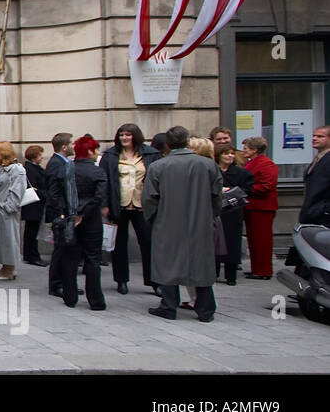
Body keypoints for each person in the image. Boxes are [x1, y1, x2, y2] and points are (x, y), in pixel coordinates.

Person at [144, 126, 224, 322]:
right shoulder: (208, 165)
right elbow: (217, 195)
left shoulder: (158, 166)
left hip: (167, 221)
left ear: (168, 144)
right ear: (188, 141)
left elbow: (149, 199)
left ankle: (169, 306)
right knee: (201, 263)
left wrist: (153, 219)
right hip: (200, 220)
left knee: (167, 262)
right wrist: (211, 215)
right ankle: (205, 309)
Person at [99, 123, 160, 295]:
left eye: (128, 135)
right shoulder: (111, 155)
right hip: (119, 204)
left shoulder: (151, 154)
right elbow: (103, 180)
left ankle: (154, 281)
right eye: (121, 135)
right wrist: (104, 204)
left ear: (135, 136)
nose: (124, 138)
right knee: (119, 243)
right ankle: (121, 280)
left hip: (142, 204)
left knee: (148, 241)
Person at [53, 135, 108, 310]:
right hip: (91, 220)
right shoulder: (97, 171)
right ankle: (95, 299)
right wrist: (83, 214)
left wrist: (65, 213)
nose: (97, 153)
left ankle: (70, 297)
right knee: (93, 259)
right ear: (90, 151)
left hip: (69, 219)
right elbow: (99, 197)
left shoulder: (65, 169)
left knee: (70, 258)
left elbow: (55, 195)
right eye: (96, 150)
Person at [240, 136, 279, 280]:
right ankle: (256, 268)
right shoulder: (252, 162)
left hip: (262, 207)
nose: (243, 151)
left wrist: (246, 189)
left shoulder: (266, 164)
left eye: (246, 148)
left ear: (254, 150)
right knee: (253, 239)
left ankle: (264, 270)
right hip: (253, 206)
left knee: (262, 240)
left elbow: (267, 186)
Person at [214, 144, 253, 286]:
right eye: (226, 153)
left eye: (231, 153)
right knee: (216, 241)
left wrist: (233, 191)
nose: (230, 156)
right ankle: (214, 272)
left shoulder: (241, 173)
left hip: (233, 211)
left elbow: (248, 189)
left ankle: (231, 276)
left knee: (232, 242)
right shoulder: (213, 170)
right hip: (217, 211)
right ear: (219, 155)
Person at [45, 133, 75, 296]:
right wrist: (60, 213)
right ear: (64, 147)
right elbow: (54, 192)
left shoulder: (62, 162)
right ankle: (56, 284)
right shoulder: (57, 164)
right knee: (60, 250)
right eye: (72, 143)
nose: (73, 146)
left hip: (62, 211)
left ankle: (64, 282)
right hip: (60, 214)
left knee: (64, 249)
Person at [0, 142, 25, 281]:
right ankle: (5, 266)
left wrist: (8, 207)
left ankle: (10, 268)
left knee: (9, 238)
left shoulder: (17, 170)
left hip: (7, 210)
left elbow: (17, 190)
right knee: (1, 239)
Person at [21, 145, 49, 267]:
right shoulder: (31, 169)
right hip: (33, 204)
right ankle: (32, 255)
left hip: (33, 204)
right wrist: (44, 193)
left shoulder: (32, 168)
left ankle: (30, 255)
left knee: (30, 231)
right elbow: (35, 188)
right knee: (32, 232)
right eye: (40, 155)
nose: (42, 157)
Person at [300, 126, 330, 227]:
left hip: (323, 216)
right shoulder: (319, 158)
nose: (314, 138)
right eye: (313, 136)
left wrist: (325, 210)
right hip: (312, 213)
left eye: (320, 136)